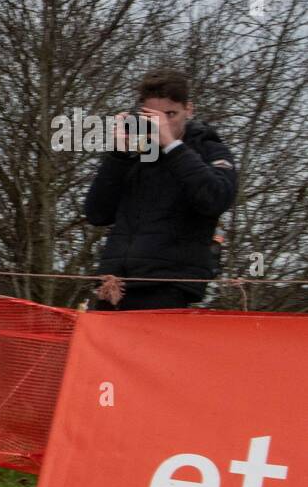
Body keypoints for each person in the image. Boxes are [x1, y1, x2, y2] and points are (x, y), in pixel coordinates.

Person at [84, 70, 237, 310]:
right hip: (114, 285)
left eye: (170, 114)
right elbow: (97, 214)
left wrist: (173, 147)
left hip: (169, 285)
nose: (162, 124)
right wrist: (118, 155)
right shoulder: (138, 151)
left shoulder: (209, 149)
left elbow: (216, 198)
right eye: (154, 117)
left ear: (189, 110)